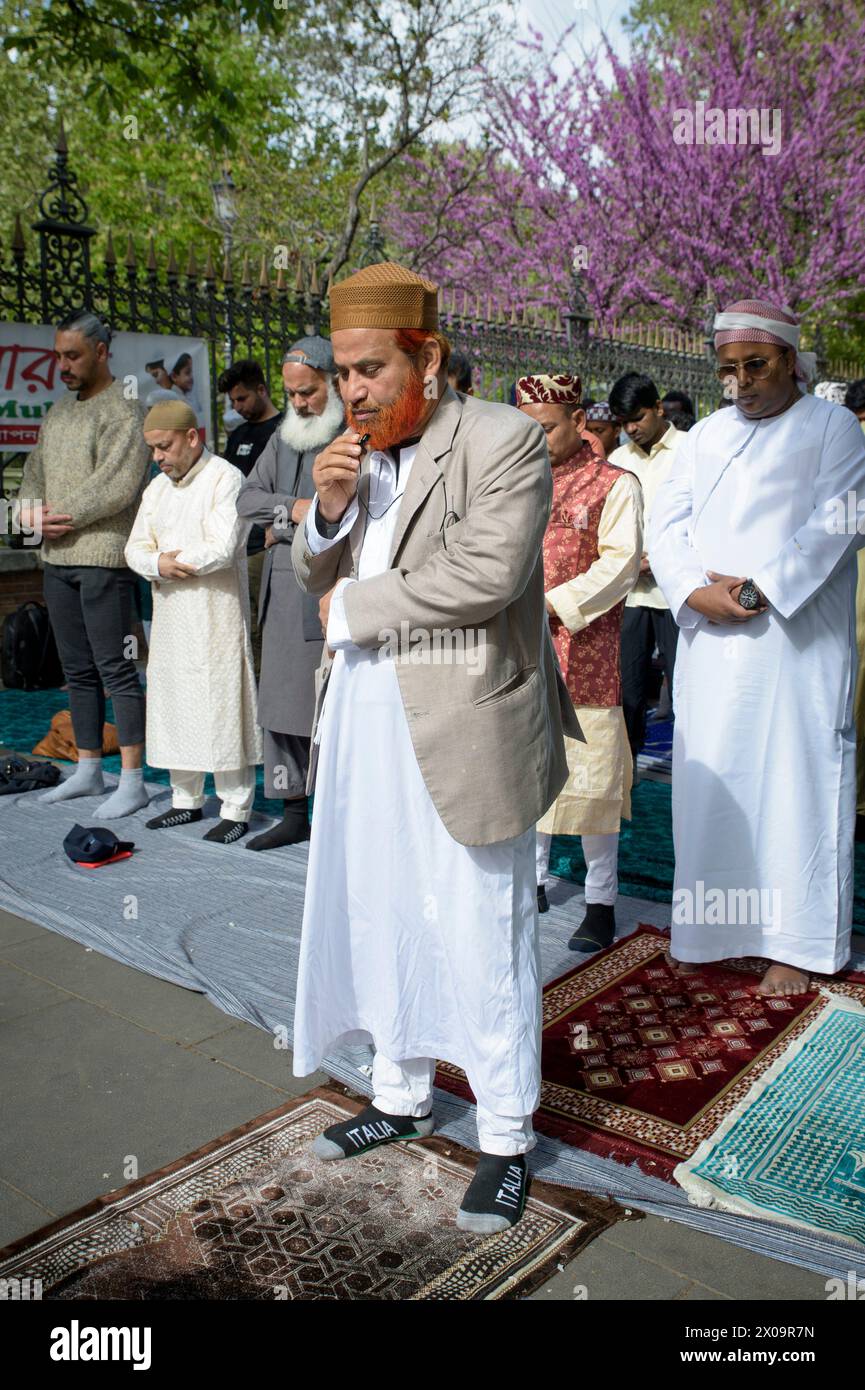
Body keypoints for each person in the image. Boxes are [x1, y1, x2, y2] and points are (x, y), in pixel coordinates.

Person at [291, 262, 577, 1233]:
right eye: (343, 372)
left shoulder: (500, 439)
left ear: (430, 354)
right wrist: (326, 513)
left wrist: (356, 604)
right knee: (379, 907)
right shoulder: (353, 447)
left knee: (477, 925)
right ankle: (399, 1093)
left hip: (465, 720)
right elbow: (309, 565)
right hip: (366, 722)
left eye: (371, 368)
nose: (354, 389)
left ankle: (504, 1134)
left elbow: (487, 572)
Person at [649, 297, 865, 995]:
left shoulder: (835, 428)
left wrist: (749, 594)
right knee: (712, 780)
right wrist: (690, 590)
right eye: (727, 370)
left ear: (791, 362)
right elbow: (665, 524)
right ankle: (709, 930)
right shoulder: (704, 434)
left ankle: (796, 944)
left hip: (797, 648)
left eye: (755, 366)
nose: (739, 382)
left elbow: (836, 525)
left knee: (794, 786)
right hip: (711, 646)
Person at [517, 373, 641, 950]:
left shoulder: (614, 484)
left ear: (578, 422)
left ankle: (600, 900)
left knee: (591, 782)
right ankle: (533, 881)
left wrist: (554, 605)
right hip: (522, 651)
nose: (534, 440)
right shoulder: (516, 483)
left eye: (544, 430)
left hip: (586, 651)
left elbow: (620, 564)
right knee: (530, 770)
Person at [18, 310, 150, 819]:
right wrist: (33, 517)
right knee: (76, 672)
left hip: (103, 562)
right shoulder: (57, 413)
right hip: (56, 560)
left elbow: (117, 485)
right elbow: (32, 474)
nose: (62, 366)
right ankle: (89, 770)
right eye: (57, 356)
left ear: (101, 351)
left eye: (72, 355)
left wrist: (58, 516)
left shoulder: (128, 407)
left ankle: (134, 780)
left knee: (117, 669)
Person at [125, 399, 262, 844]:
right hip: (171, 620)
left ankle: (236, 807)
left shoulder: (225, 477)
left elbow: (222, 546)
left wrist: (164, 563)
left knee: (221, 703)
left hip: (214, 615)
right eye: (152, 450)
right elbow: (133, 550)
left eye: (164, 447)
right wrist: (157, 563)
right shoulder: (156, 489)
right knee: (175, 703)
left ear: (192, 437)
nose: (158, 457)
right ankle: (185, 801)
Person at [235, 338, 344, 850]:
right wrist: (296, 509)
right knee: (280, 703)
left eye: (308, 392)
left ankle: (335, 815)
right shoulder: (283, 438)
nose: (299, 404)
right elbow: (247, 499)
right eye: (292, 394)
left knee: (326, 707)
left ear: (333, 383)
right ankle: (292, 811)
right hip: (281, 589)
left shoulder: (352, 435)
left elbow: (348, 510)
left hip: (330, 584)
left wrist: (284, 525)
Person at [609, 372, 685, 758]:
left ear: (658, 408)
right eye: (624, 422)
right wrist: (628, 560)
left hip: (680, 595)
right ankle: (628, 777)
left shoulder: (691, 451)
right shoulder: (618, 460)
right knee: (630, 692)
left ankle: (697, 774)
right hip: (632, 595)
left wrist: (664, 558)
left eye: (638, 417)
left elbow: (703, 518)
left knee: (688, 689)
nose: (631, 428)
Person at [218, 358, 283, 670]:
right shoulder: (237, 435)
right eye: (232, 401)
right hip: (235, 545)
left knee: (263, 623)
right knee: (239, 623)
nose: (237, 406)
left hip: (265, 545)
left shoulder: (284, 432)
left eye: (241, 398)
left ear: (262, 390)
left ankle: (264, 691)